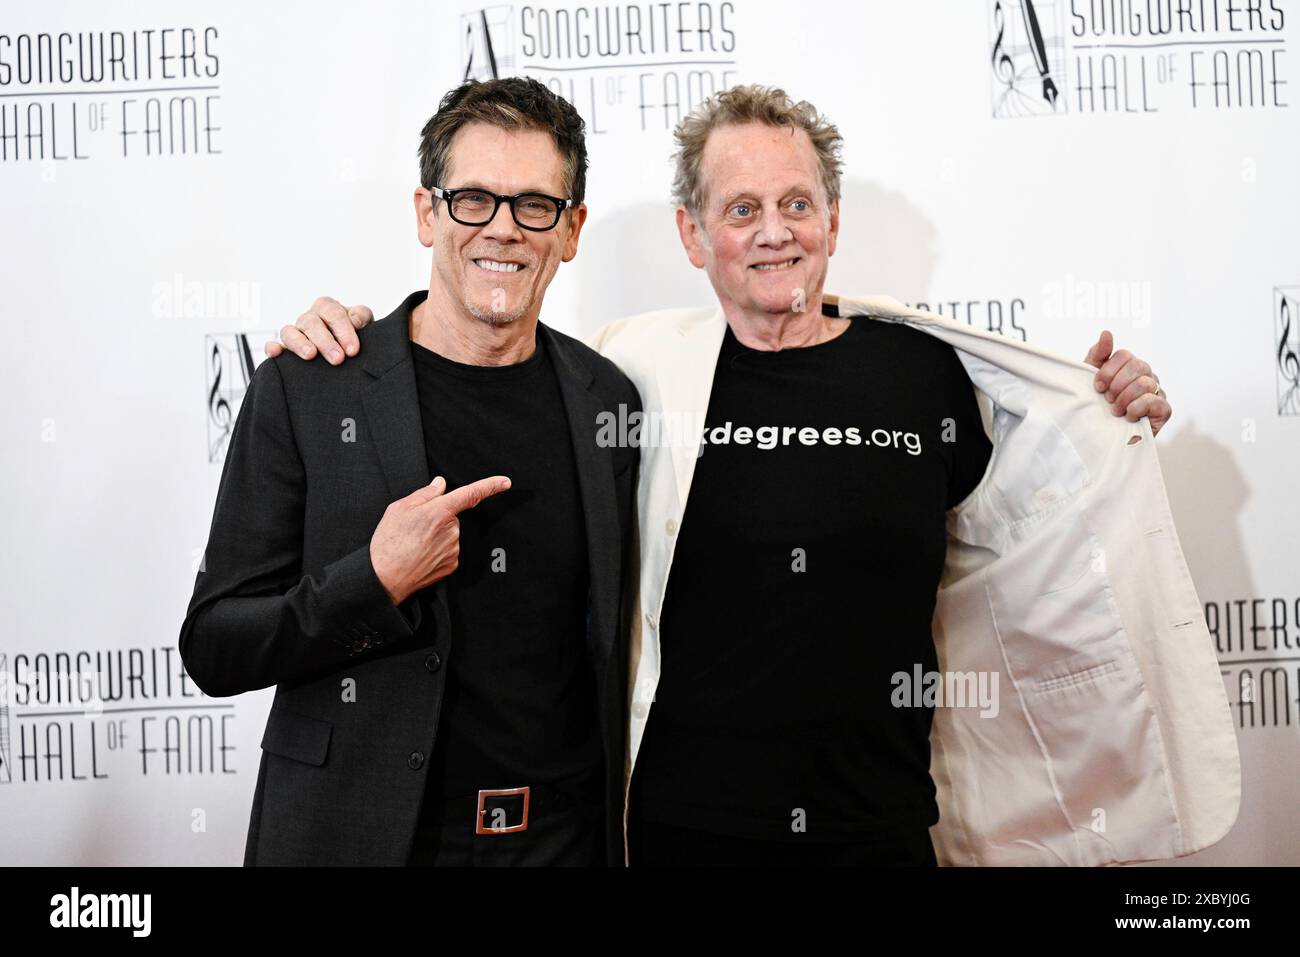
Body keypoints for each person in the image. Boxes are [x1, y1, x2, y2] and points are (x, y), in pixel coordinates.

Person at [268, 85, 1174, 866]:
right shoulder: (628, 375)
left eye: (797, 203)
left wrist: (1105, 411)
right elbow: (479, 368)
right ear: (692, 235)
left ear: (833, 220)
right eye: (741, 210)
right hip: (677, 839)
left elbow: (1041, 523)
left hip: (883, 832)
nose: (773, 232)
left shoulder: (927, 375)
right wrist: (344, 337)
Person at [180, 77, 640, 866]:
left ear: (571, 230)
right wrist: (374, 579)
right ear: (427, 213)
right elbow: (214, 646)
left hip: (562, 843)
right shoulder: (310, 386)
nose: (503, 229)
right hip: (362, 841)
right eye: (472, 200)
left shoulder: (611, 400)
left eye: (535, 205)